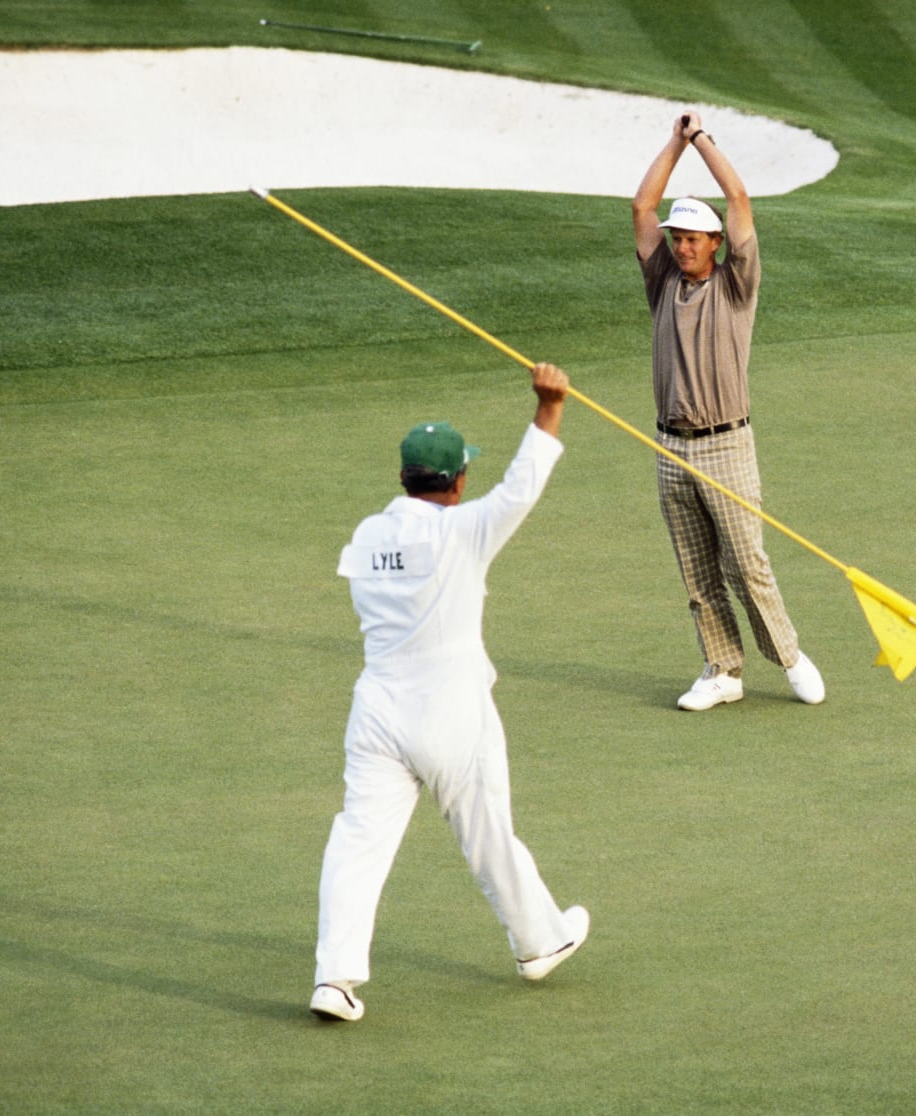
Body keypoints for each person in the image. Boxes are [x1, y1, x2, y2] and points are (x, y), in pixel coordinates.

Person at [309, 361, 589, 1023]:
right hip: (452, 713)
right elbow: (520, 488)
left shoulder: (368, 535)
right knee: (489, 835)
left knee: (357, 846)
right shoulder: (462, 531)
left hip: (377, 714)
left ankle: (333, 979)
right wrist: (550, 406)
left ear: (404, 477)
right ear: (458, 483)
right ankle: (539, 941)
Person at [632, 110, 825, 712]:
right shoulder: (663, 281)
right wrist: (673, 143)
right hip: (671, 444)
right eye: (678, 238)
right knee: (697, 570)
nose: (682, 246)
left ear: (715, 243)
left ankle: (788, 657)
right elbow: (641, 207)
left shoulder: (736, 284)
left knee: (746, 563)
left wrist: (700, 140)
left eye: (693, 238)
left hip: (726, 443)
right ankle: (723, 670)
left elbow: (739, 199)